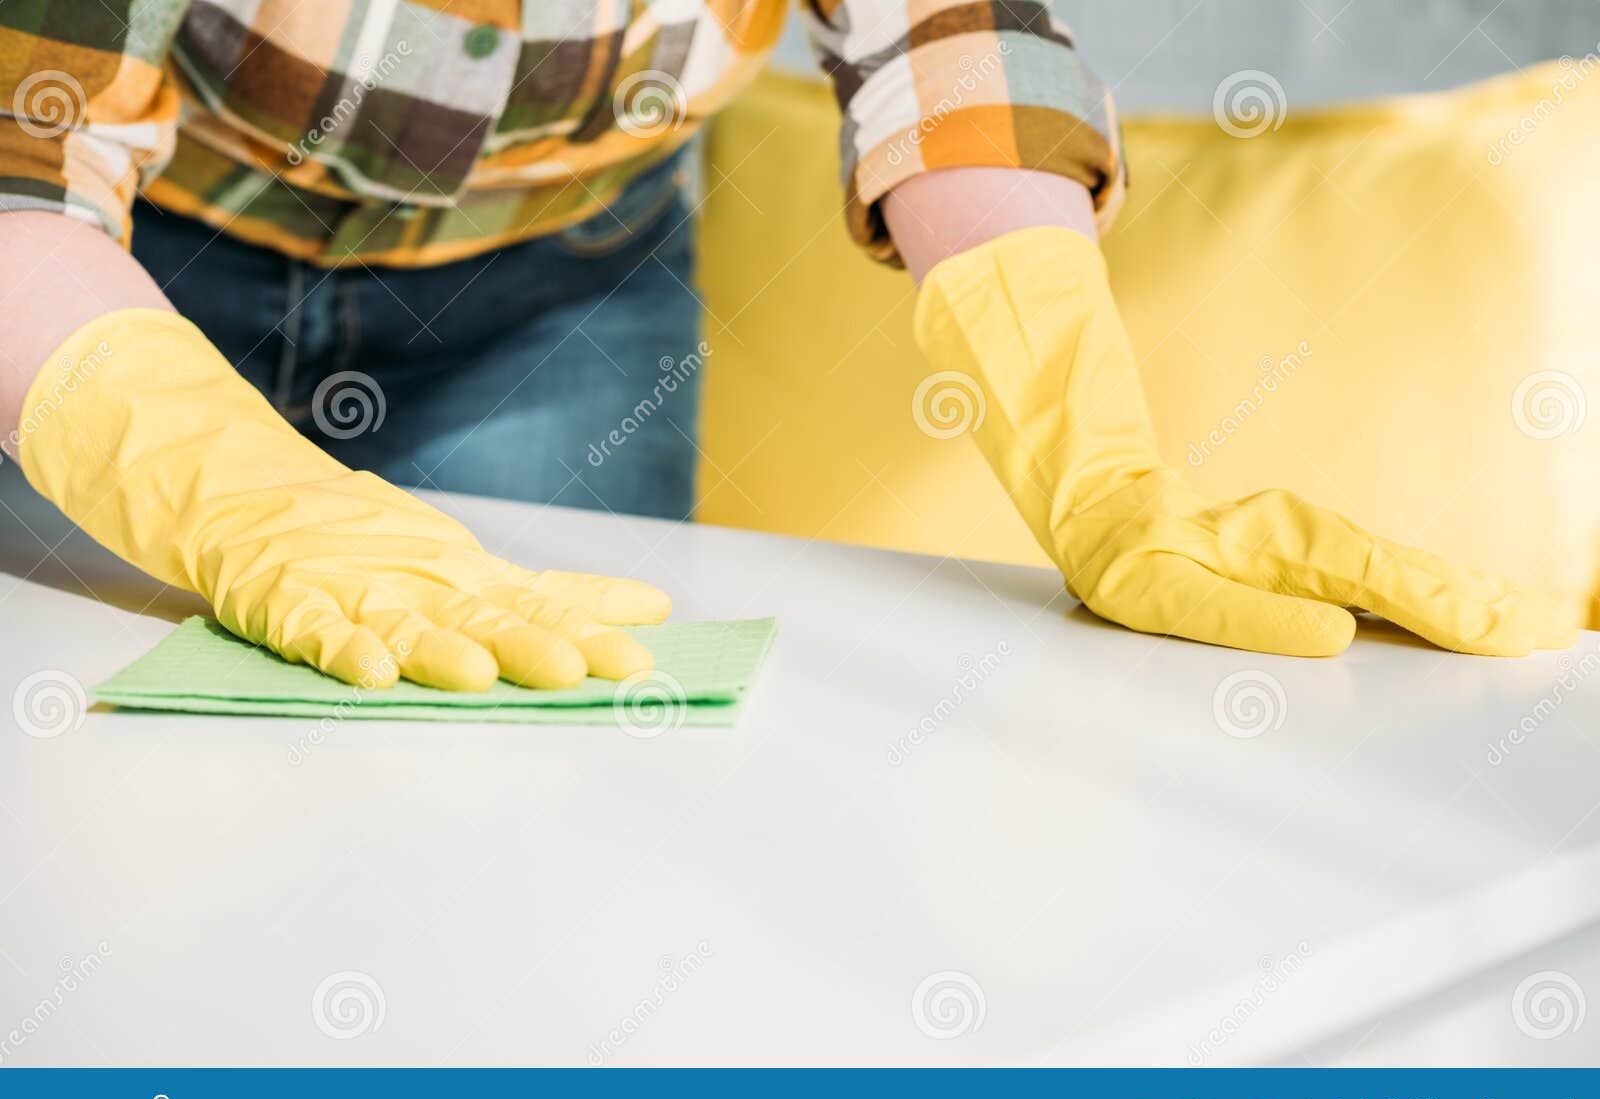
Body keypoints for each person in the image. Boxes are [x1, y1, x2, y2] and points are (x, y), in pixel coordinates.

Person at [0, 1, 1572, 693]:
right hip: (116, 280)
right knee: (93, 772)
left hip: (562, 297)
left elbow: (943, 47)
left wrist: (1092, 448)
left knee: (538, 740)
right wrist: (212, 483)